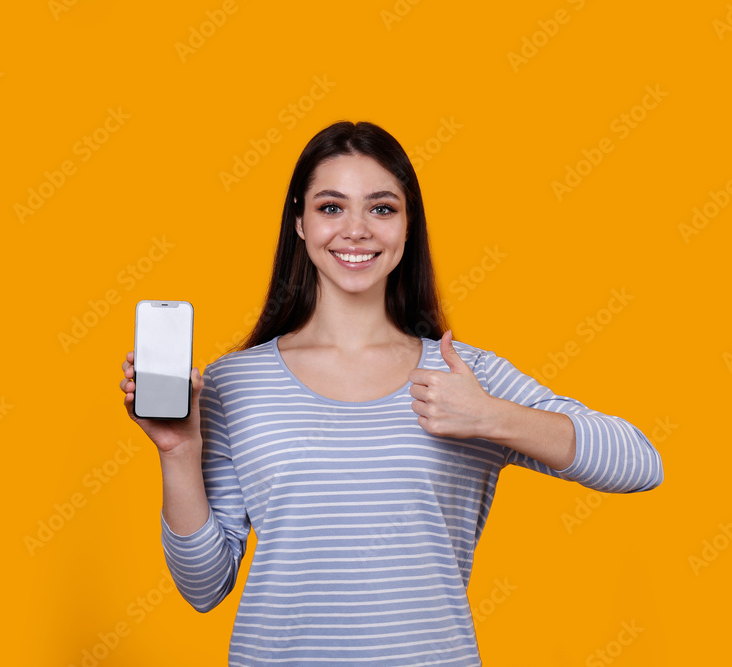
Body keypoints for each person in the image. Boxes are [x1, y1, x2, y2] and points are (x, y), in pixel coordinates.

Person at [119, 120, 664, 666]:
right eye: (331, 207)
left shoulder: (464, 376)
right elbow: (205, 586)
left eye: (381, 208)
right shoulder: (234, 383)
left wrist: (491, 417)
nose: (356, 230)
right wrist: (179, 451)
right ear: (300, 223)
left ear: (408, 227)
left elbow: (640, 464)